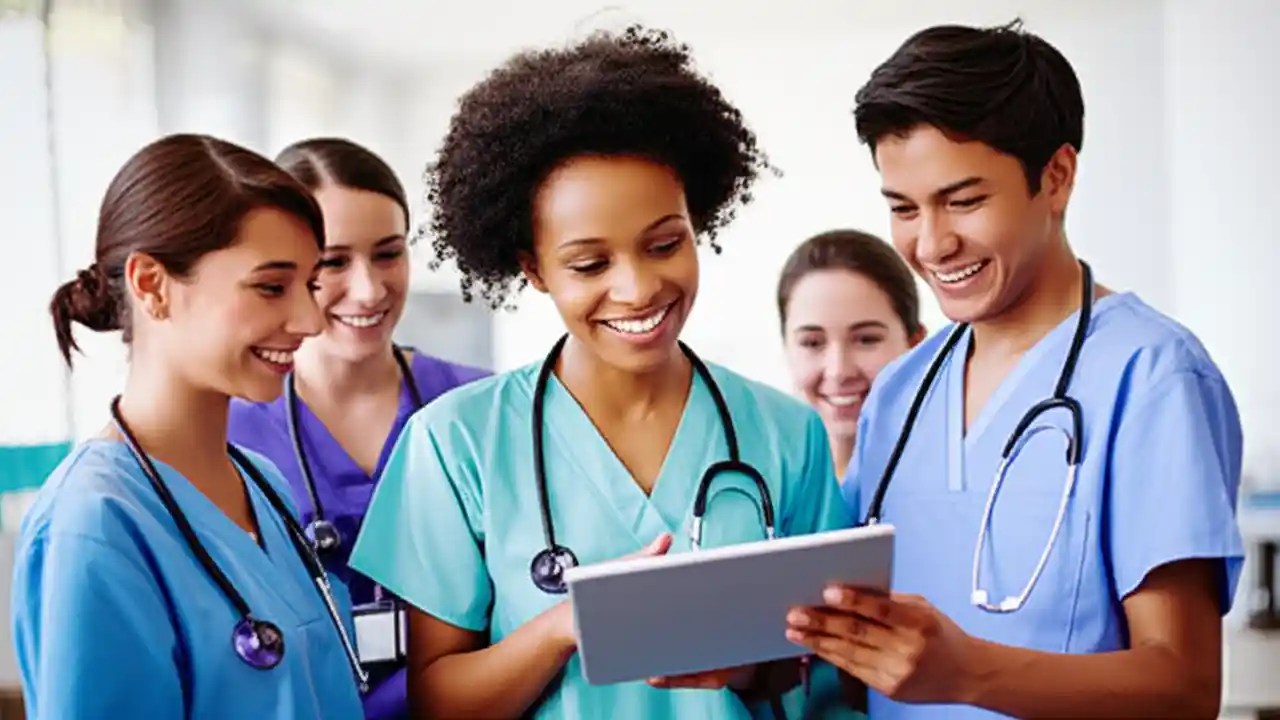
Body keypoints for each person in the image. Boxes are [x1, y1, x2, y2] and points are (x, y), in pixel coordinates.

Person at [345, 26, 852, 720]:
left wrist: (745, 668)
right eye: (589, 264)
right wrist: (570, 626)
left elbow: (826, 682)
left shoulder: (787, 435)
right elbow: (440, 702)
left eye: (665, 244)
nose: (639, 288)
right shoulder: (455, 443)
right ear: (532, 268)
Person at [783, 20, 1245, 719]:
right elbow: (848, 645)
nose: (932, 244)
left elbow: (1184, 687)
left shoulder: (1152, 377)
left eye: (964, 201)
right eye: (904, 209)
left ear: (1055, 178)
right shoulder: (902, 392)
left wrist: (970, 673)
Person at [11, 134, 365, 719]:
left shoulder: (264, 484)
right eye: (272, 287)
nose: (308, 320)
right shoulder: (94, 522)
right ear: (151, 284)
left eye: (309, 286)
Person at [227, 136, 490, 720]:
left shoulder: (482, 408)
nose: (369, 289)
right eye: (334, 261)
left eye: (388, 254)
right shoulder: (229, 431)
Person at [776, 229, 925, 478]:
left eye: (867, 340)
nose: (839, 371)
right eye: (812, 343)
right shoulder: (762, 488)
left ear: (916, 346)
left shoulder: (963, 479)